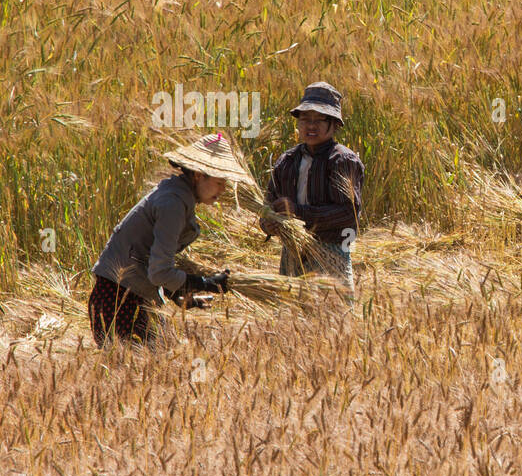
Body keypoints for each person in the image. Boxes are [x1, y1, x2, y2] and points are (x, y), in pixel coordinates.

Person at [88, 132, 253, 348]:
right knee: (144, 372)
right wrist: (205, 283)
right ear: (197, 175)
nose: (223, 189)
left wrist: (178, 294)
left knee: (160, 365)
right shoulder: (173, 203)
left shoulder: (178, 196)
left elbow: (148, 261)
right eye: (220, 182)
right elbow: (159, 272)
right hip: (119, 301)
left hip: (129, 296)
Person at [260, 81, 364, 293]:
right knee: (291, 319)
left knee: (333, 319)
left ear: (334, 124)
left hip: (331, 254)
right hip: (292, 255)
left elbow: (348, 213)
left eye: (319, 119)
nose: (310, 126)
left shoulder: (342, 161)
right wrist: (268, 224)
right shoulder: (286, 161)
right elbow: (268, 205)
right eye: (305, 119)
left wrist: (298, 212)